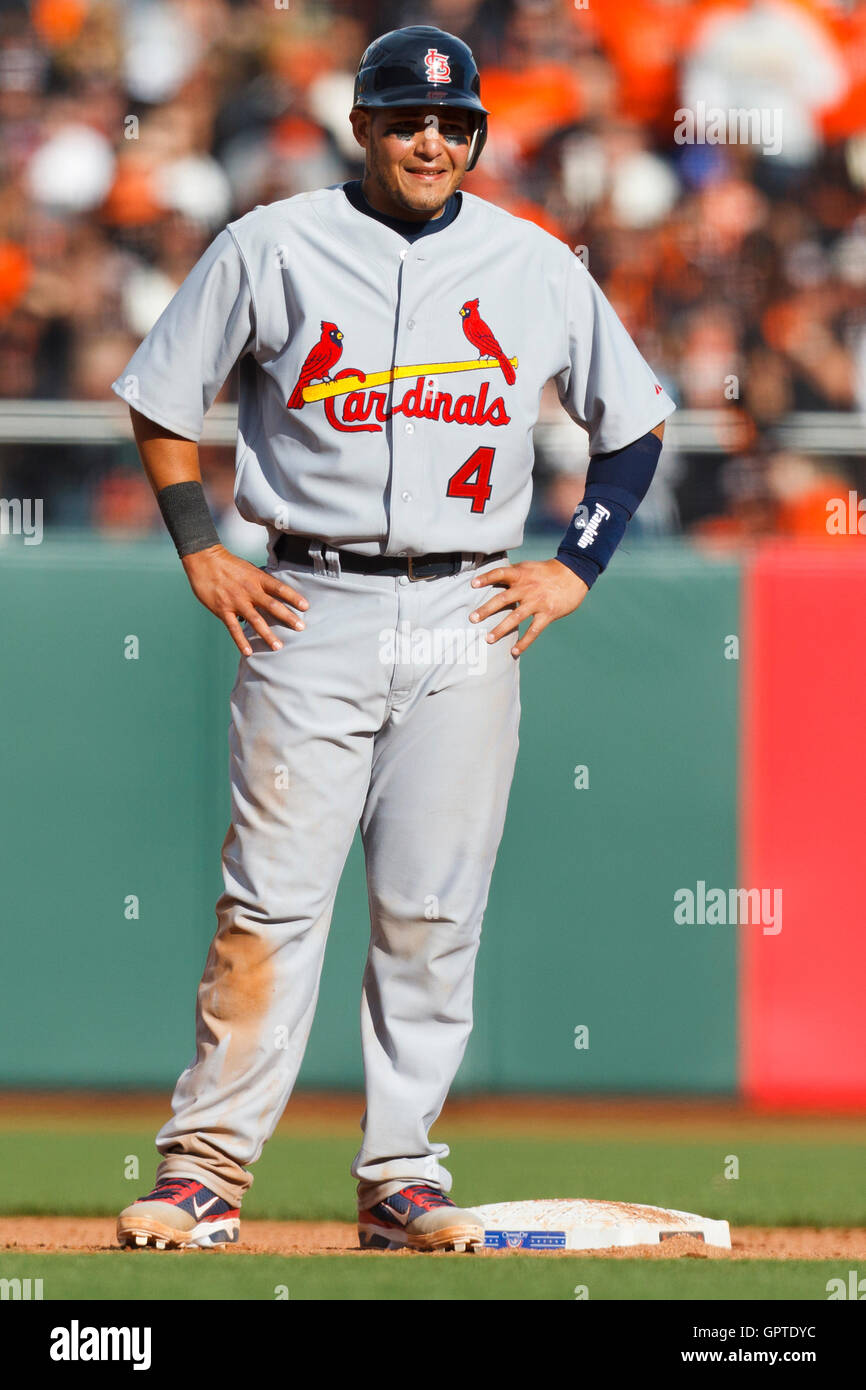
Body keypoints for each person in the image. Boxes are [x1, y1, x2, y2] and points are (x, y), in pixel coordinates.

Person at [112, 25, 674, 1254]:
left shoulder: (529, 264)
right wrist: (199, 544)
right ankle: (205, 1172)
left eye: (455, 122)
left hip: (470, 606)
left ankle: (401, 1178)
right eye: (407, 117)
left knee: (432, 908)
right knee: (268, 905)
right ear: (360, 125)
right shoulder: (272, 244)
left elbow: (631, 427)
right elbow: (162, 398)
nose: (432, 138)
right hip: (311, 599)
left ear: (475, 134)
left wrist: (575, 565)